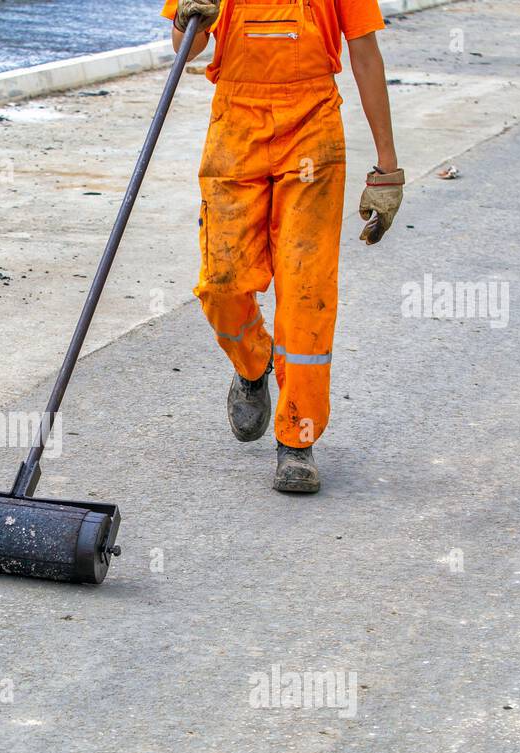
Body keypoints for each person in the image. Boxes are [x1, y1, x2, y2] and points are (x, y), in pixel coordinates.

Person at [166, 0, 404, 493]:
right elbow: (186, 47)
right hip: (236, 126)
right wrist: (187, 21)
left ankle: (298, 438)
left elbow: (364, 52)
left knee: (306, 292)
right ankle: (254, 364)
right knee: (221, 282)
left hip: (313, 128)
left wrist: (387, 166)